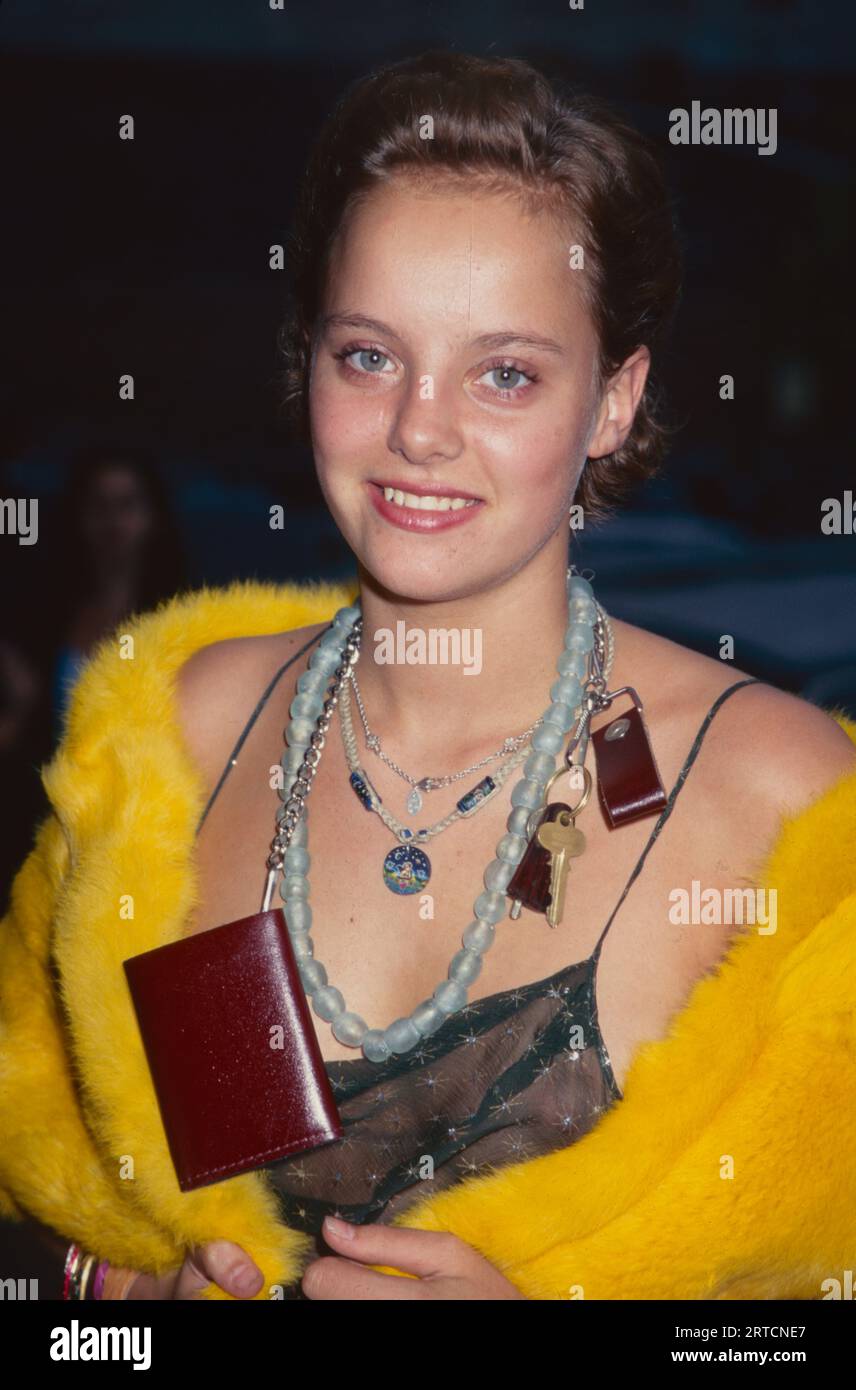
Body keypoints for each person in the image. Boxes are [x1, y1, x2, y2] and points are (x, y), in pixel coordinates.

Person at [2, 51, 855, 1303]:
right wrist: (121, 1295)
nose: (418, 428)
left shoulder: (790, 801)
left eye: (504, 371)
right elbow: (38, 1159)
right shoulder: (168, 735)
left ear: (614, 401)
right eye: (367, 355)